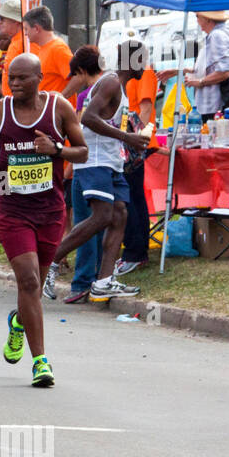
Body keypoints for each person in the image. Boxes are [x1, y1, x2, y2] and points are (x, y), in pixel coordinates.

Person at [0, 54, 88, 387]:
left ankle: (19, 322)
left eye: (23, 78)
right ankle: (40, 361)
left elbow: (81, 151)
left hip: (50, 209)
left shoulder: (58, 108)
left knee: (34, 286)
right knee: (28, 282)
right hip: (11, 205)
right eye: (12, 78)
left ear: (40, 77)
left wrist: (55, 150)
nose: (15, 84)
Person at [42, 46, 149, 304]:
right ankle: (50, 262)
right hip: (95, 160)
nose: (145, 67)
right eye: (143, 61)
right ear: (130, 62)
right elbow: (89, 118)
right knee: (102, 216)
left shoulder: (116, 86)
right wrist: (127, 137)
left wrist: (127, 136)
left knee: (120, 214)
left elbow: (105, 120)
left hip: (111, 161)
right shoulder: (111, 82)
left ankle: (103, 281)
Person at [118, 38, 160, 275]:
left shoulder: (144, 74)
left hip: (135, 142)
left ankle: (135, 252)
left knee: (132, 199)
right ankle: (134, 250)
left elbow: (145, 108)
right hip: (129, 140)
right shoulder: (130, 76)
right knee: (134, 197)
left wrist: (136, 141)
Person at [0, 2, 76, 98]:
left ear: (36, 29)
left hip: (53, 111)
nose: (25, 33)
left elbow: (78, 76)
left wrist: (61, 97)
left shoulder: (57, 48)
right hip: (40, 109)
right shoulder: (43, 47)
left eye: (26, 29)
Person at [182, 10, 229, 118]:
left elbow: (225, 71)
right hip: (220, 105)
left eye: (197, 16)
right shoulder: (227, 31)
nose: (197, 21)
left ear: (207, 18)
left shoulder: (217, 35)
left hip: (216, 107)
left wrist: (200, 82)